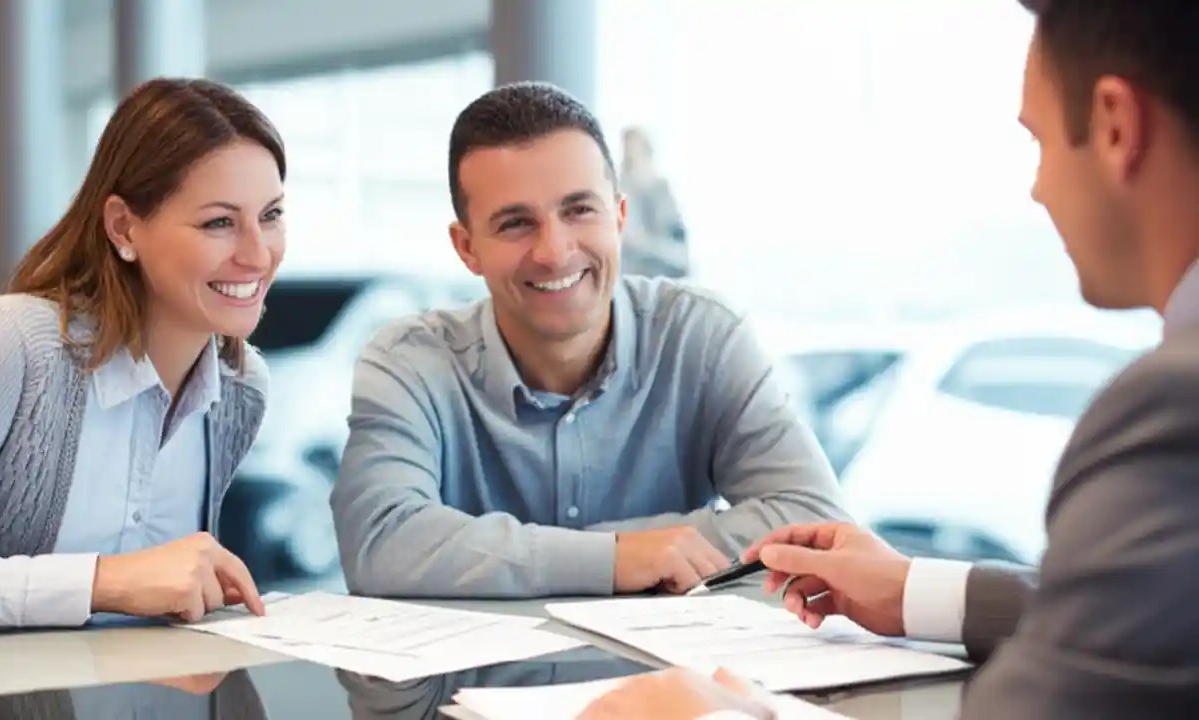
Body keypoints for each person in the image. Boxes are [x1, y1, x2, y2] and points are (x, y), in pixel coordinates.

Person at [586, 0, 1199, 716]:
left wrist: (718, 715)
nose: (1038, 189)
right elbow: (1140, 614)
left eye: (1038, 144)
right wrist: (912, 589)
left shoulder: (1172, 408)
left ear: (1116, 125)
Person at [332, 82, 846, 599]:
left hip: (669, 679)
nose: (555, 252)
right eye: (515, 223)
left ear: (619, 218)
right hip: (478, 681)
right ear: (467, 248)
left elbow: (813, 519)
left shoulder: (703, 338)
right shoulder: (409, 362)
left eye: (579, 210)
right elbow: (380, 542)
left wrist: (536, 556)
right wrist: (618, 555)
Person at [0, 77, 286, 632]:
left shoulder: (240, 387)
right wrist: (99, 581)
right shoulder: (14, 349)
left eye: (271, 215)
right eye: (219, 222)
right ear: (123, 226)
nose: (258, 254)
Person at [619, 126, 690, 278]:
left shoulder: (661, 190)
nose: (632, 160)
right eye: (628, 154)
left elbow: (680, 253)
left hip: (662, 272)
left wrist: (642, 242)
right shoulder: (621, 189)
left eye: (636, 153)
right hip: (630, 276)